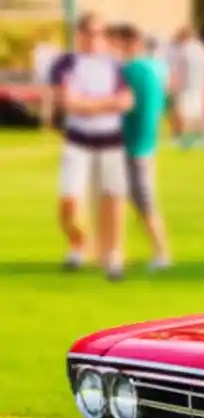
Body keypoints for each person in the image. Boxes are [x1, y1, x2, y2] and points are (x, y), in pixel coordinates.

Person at [51, 13, 133, 280]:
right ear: (81, 34)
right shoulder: (67, 63)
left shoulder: (114, 65)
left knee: (112, 197)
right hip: (79, 139)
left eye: (99, 33)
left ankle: (113, 253)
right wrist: (104, 104)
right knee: (69, 198)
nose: (95, 38)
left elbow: (126, 101)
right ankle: (78, 242)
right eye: (90, 32)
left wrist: (90, 104)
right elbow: (69, 102)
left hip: (109, 139)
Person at [115, 24, 172, 271]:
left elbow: (127, 106)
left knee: (142, 199)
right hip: (145, 142)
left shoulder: (131, 70)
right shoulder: (156, 68)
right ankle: (147, 250)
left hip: (133, 143)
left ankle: (161, 252)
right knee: (135, 198)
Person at [174, 27, 204, 148]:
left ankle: (187, 139)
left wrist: (176, 85)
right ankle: (203, 138)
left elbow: (180, 70)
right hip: (200, 86)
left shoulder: (184, 50)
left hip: (187, 86)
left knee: (185, 114)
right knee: (199, 113)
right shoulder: (201, 49)